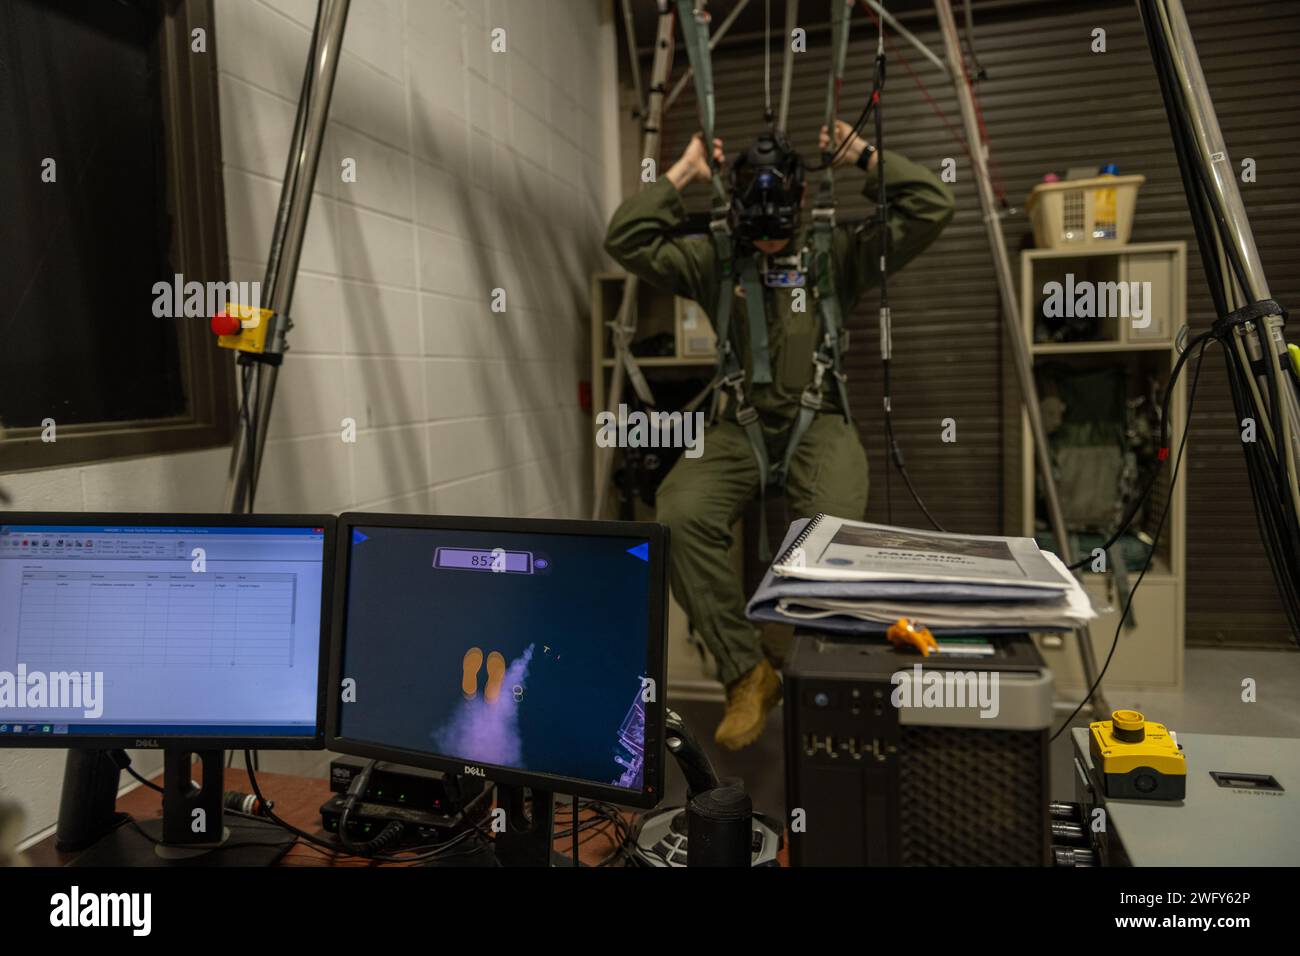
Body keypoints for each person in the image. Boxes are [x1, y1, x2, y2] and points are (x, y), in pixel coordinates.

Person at [604, 120, 954, 750]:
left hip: (816, 421)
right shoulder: (714, 257)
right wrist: (682, 173)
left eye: (779, 228)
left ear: (798, 205)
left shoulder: (836, 252)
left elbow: (933, 206)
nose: (768, 242)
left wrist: (866, 156)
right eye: (756, 230)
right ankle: (747, 673)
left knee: (835, 531)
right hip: (736, 427)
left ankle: (821, 671)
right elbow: (625, 239)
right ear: (738, 213)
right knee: (679, 513)